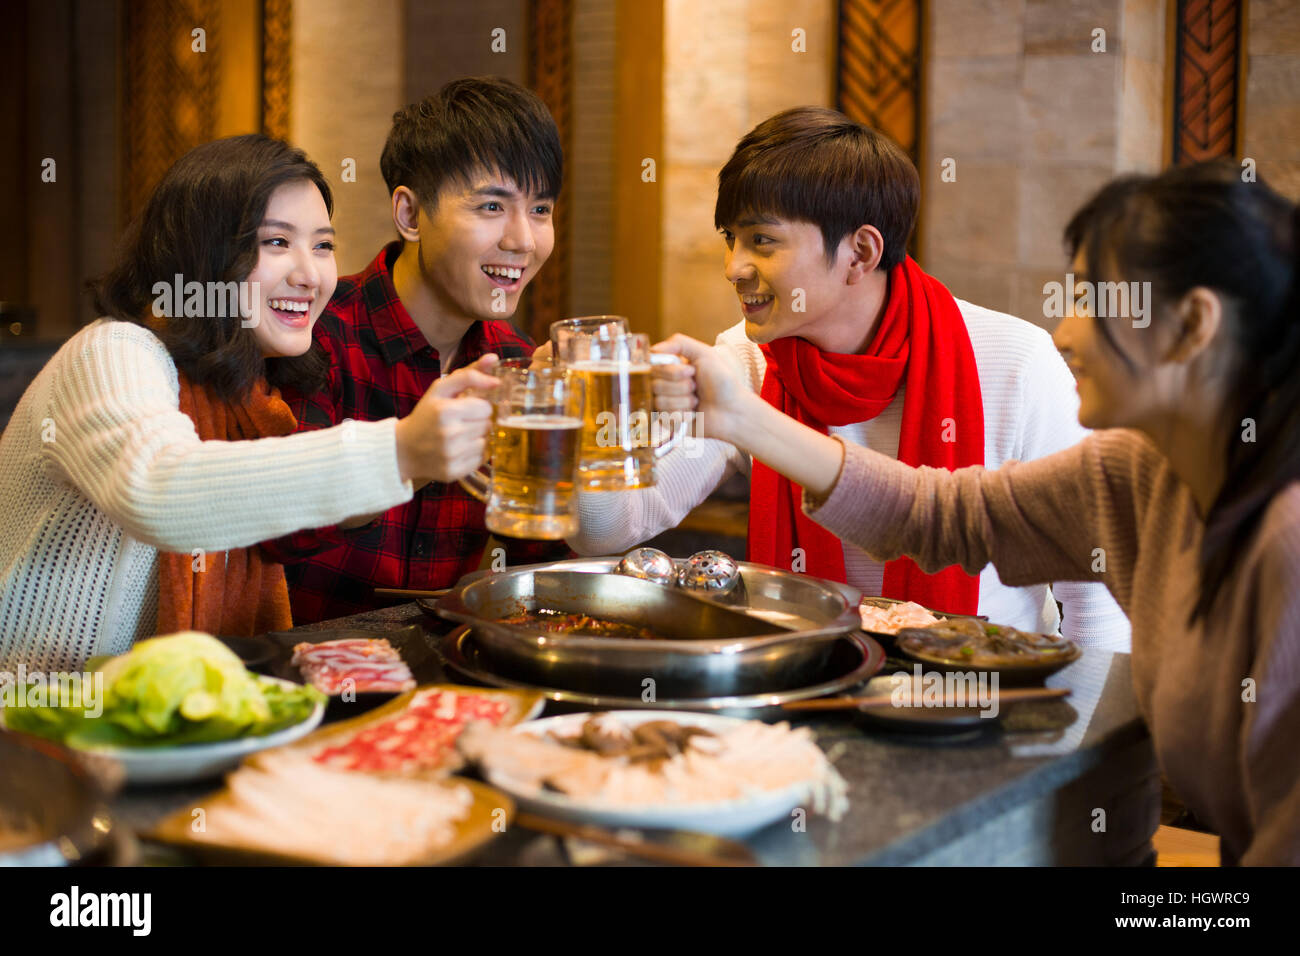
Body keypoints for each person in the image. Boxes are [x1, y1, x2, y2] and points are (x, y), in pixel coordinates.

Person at [654, 160, 1300, 865]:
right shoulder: (1137, 474)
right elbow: (938, 515)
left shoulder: (1287, 541)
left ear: (1191, 326)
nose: (1064, 332)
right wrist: (743, 417)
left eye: (1089, 299)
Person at [569, 107, 1129, 649]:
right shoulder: (745, 357)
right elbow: (610, 528)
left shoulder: (1015, 362)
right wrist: (588, 421)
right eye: (730, 239)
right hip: (812, 682)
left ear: (860, 252)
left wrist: (1065, 737)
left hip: (985, 699)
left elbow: (1096, 601)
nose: (733, 267)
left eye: (761, 240)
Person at [0, 135, 498, 670]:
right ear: (201, 254)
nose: (309, 274)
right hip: (31, 717)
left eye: (323, 245)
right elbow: (159, 488)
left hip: (160, 721)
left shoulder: (254, 394)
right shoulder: (113, 350)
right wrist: (399, 452)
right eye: (276, 243)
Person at [261, 77, 570, 624]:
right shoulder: (312, 335)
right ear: (410, 215)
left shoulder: (519, 361)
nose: (523, 239)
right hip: (301, 677)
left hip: (447, 673)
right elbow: (272, 526)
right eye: (493, 206)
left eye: (541, 209)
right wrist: (416, 457)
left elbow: (536, 561)